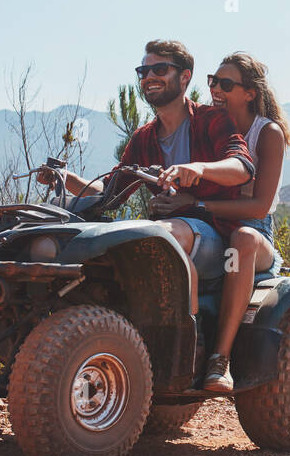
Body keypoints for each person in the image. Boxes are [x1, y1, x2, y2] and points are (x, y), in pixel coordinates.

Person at [37, 39, 254, 286]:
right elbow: (111, 193)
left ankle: (186, 322)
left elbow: (242, 167)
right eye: (144, 71)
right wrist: (66, 178)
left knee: (156, 237)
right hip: (165, 230)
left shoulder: (211, 120)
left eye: (160, 70)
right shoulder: (143, 138)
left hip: (214, 235)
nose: (149, 77)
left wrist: (198, 168)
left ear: (185, 77)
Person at [159, 52, 290, 392]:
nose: (216, 89)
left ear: (250, 93)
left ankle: (221, 360)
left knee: (244, 239)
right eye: (213, 81)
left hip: (253, 232)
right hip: (212, 225)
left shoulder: (267, 133)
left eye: (226, 84)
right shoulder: (210, 127)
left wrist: (199, 204)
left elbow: (260, 207)